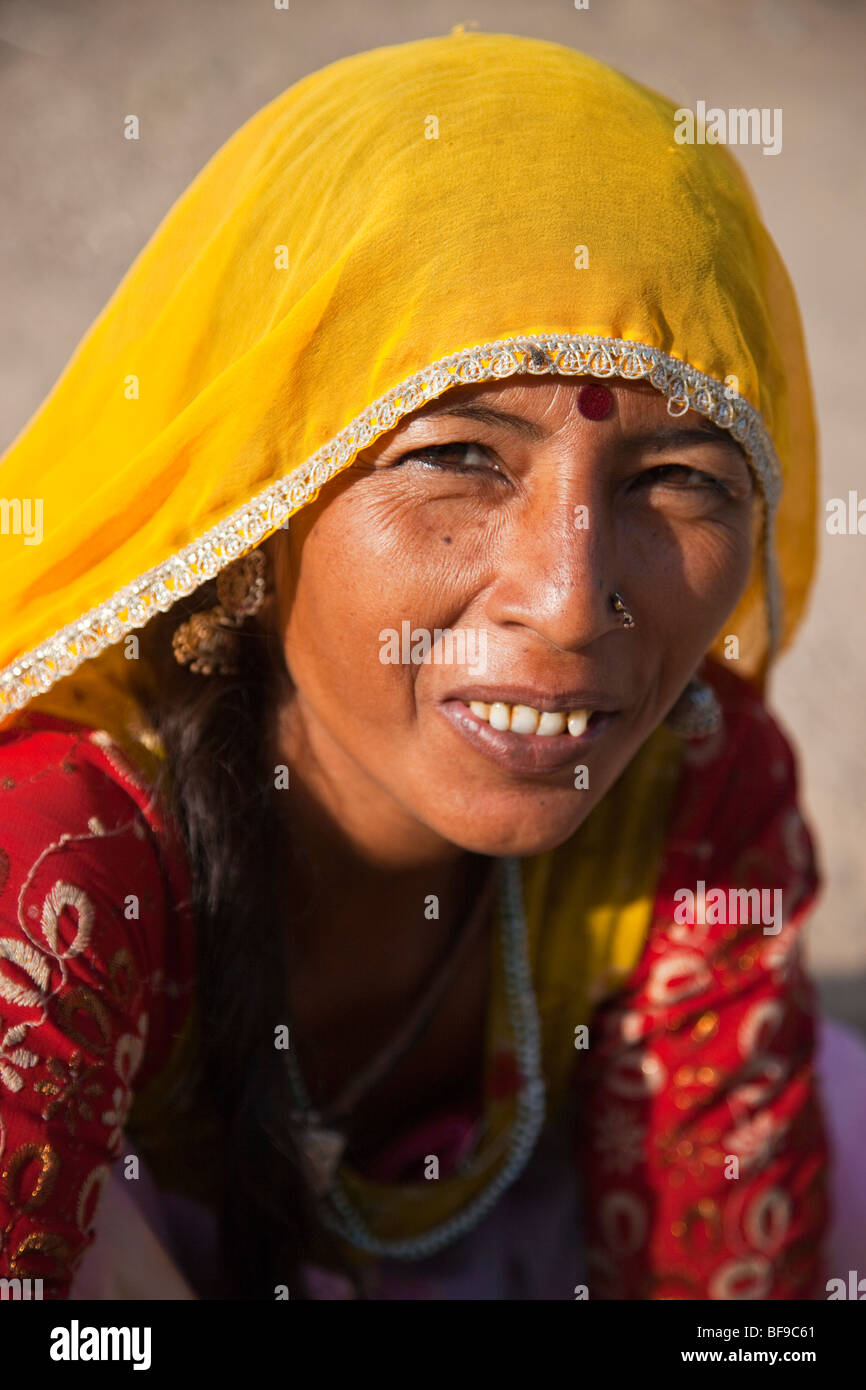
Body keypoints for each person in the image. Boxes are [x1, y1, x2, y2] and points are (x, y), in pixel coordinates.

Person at [0, 29, 842, 1300]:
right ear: (255, 502)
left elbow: (729, 1286)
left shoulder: (694, 790)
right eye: (455, 457)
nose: (567, 603)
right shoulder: (58, 858)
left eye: (675, 478)